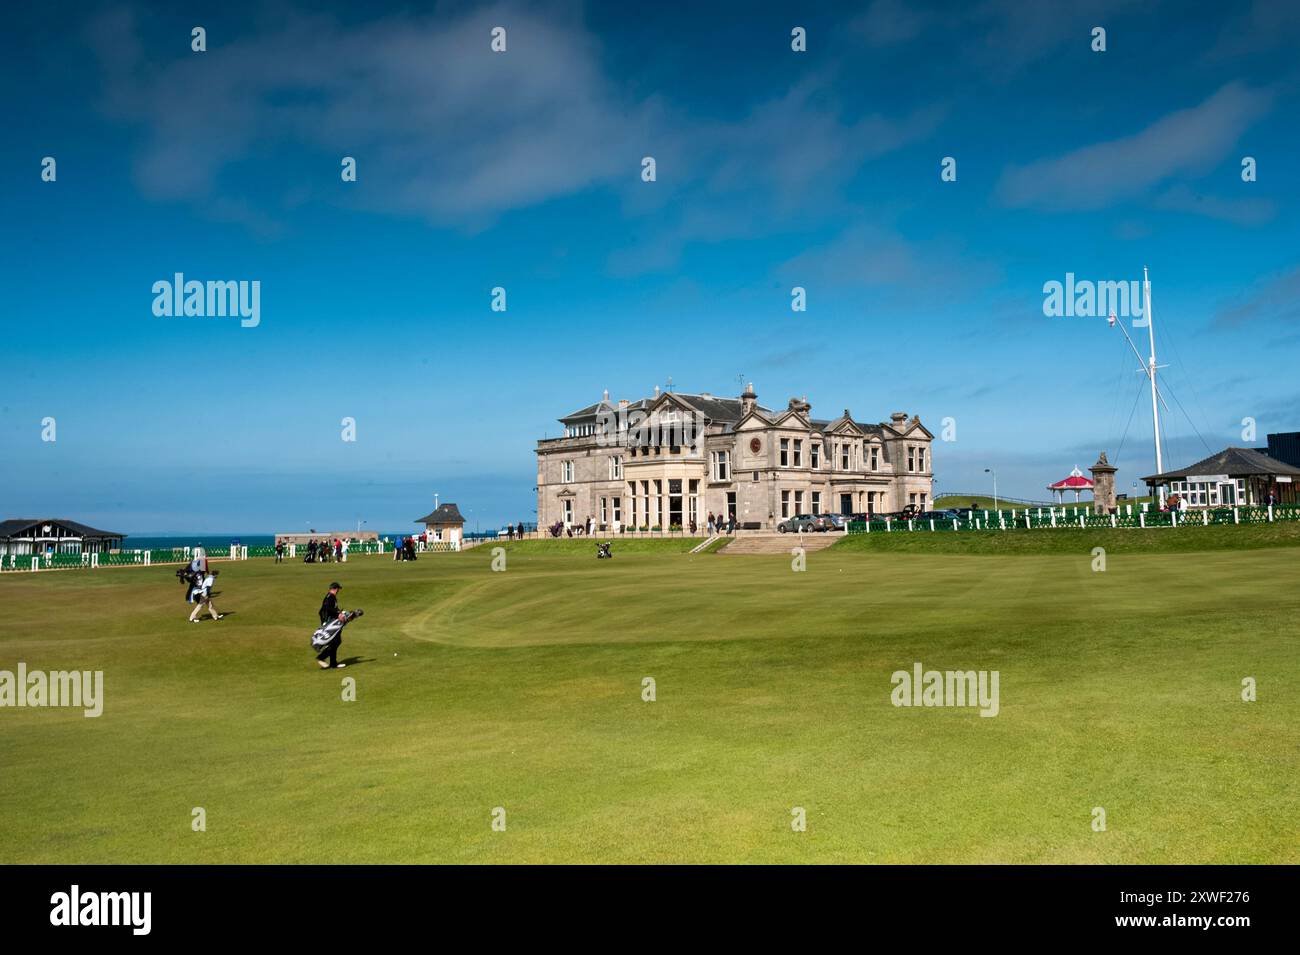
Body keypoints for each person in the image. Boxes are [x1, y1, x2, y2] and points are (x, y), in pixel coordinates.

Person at [316, 582, 346, 669]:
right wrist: (338, 614)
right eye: (338, 589)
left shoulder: (330, 597)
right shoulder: (330, 597)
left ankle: (333, 664)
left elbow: (331, 609)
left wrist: (339, 612)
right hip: (330, 625)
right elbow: (327, 608)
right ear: (336, 589)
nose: (339, 591)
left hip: (332, 623)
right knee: (336, 642)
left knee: (335, 642)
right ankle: (321, 657)